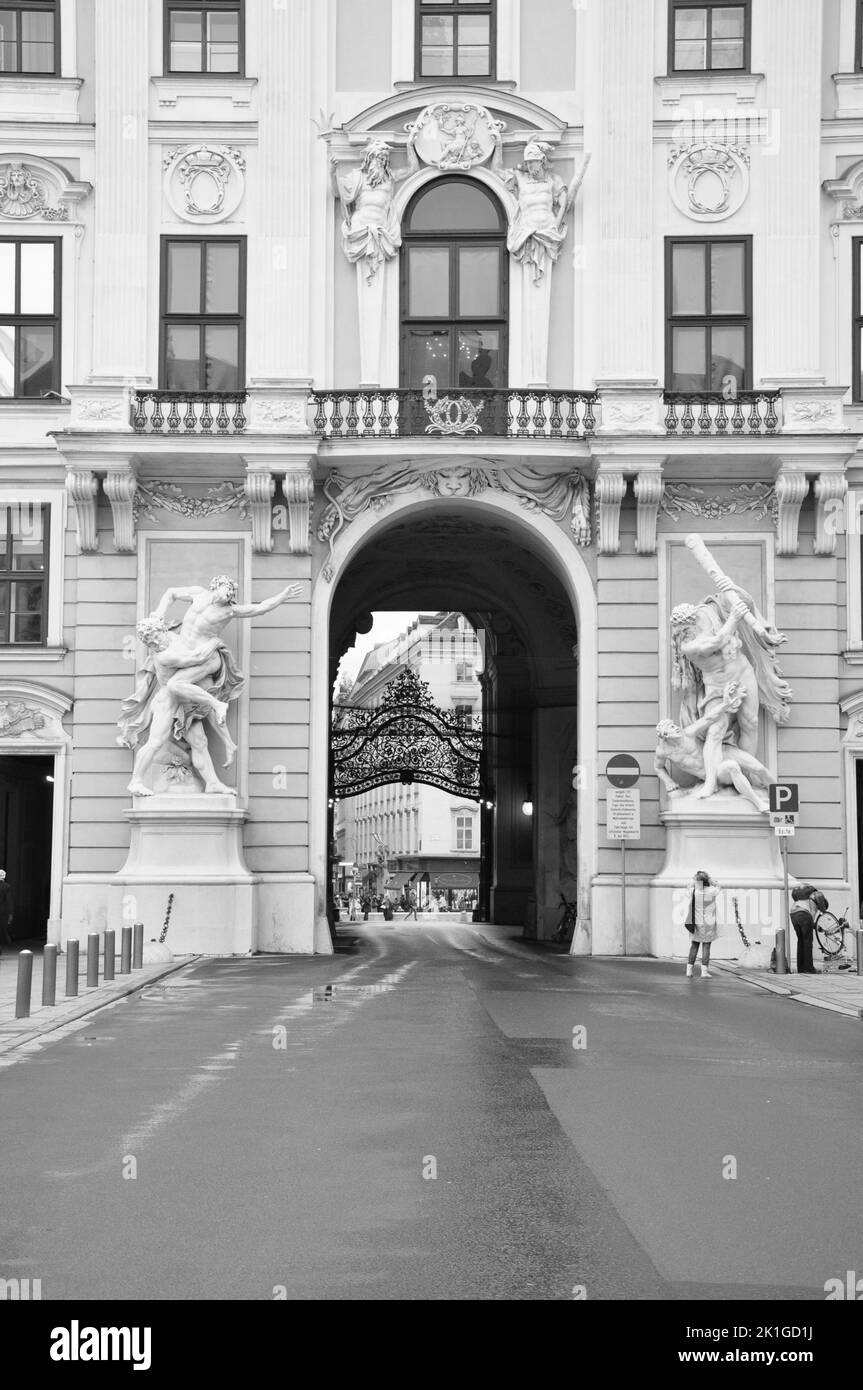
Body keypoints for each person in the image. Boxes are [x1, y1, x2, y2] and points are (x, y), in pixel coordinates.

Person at [685, 869, 720, 978]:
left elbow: (688, 886)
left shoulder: (694, 891)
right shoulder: (712, 891)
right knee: (706, 946)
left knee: (694, 946)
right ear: (706, 880)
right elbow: (719, 885)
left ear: (697, 881)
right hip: (709, 923)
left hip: (696, 923)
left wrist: (694, 879)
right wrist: (710, 880)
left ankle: (689, 971)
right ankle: (704, 972)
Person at [790, 884, 826, 974]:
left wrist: (817, 927)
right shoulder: (817, 897)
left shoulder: (806, 897)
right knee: (807, 942)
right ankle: (809, 968)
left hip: (793, 914)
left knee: (801, 941)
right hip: (804, 913)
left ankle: (801, 968)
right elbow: (810, 918)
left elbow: (809, 923)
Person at [0, 869, 14, 950]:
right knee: (1, 930)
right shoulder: (7, 887)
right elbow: (9, 901)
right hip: (2, 912)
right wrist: (11, 914)